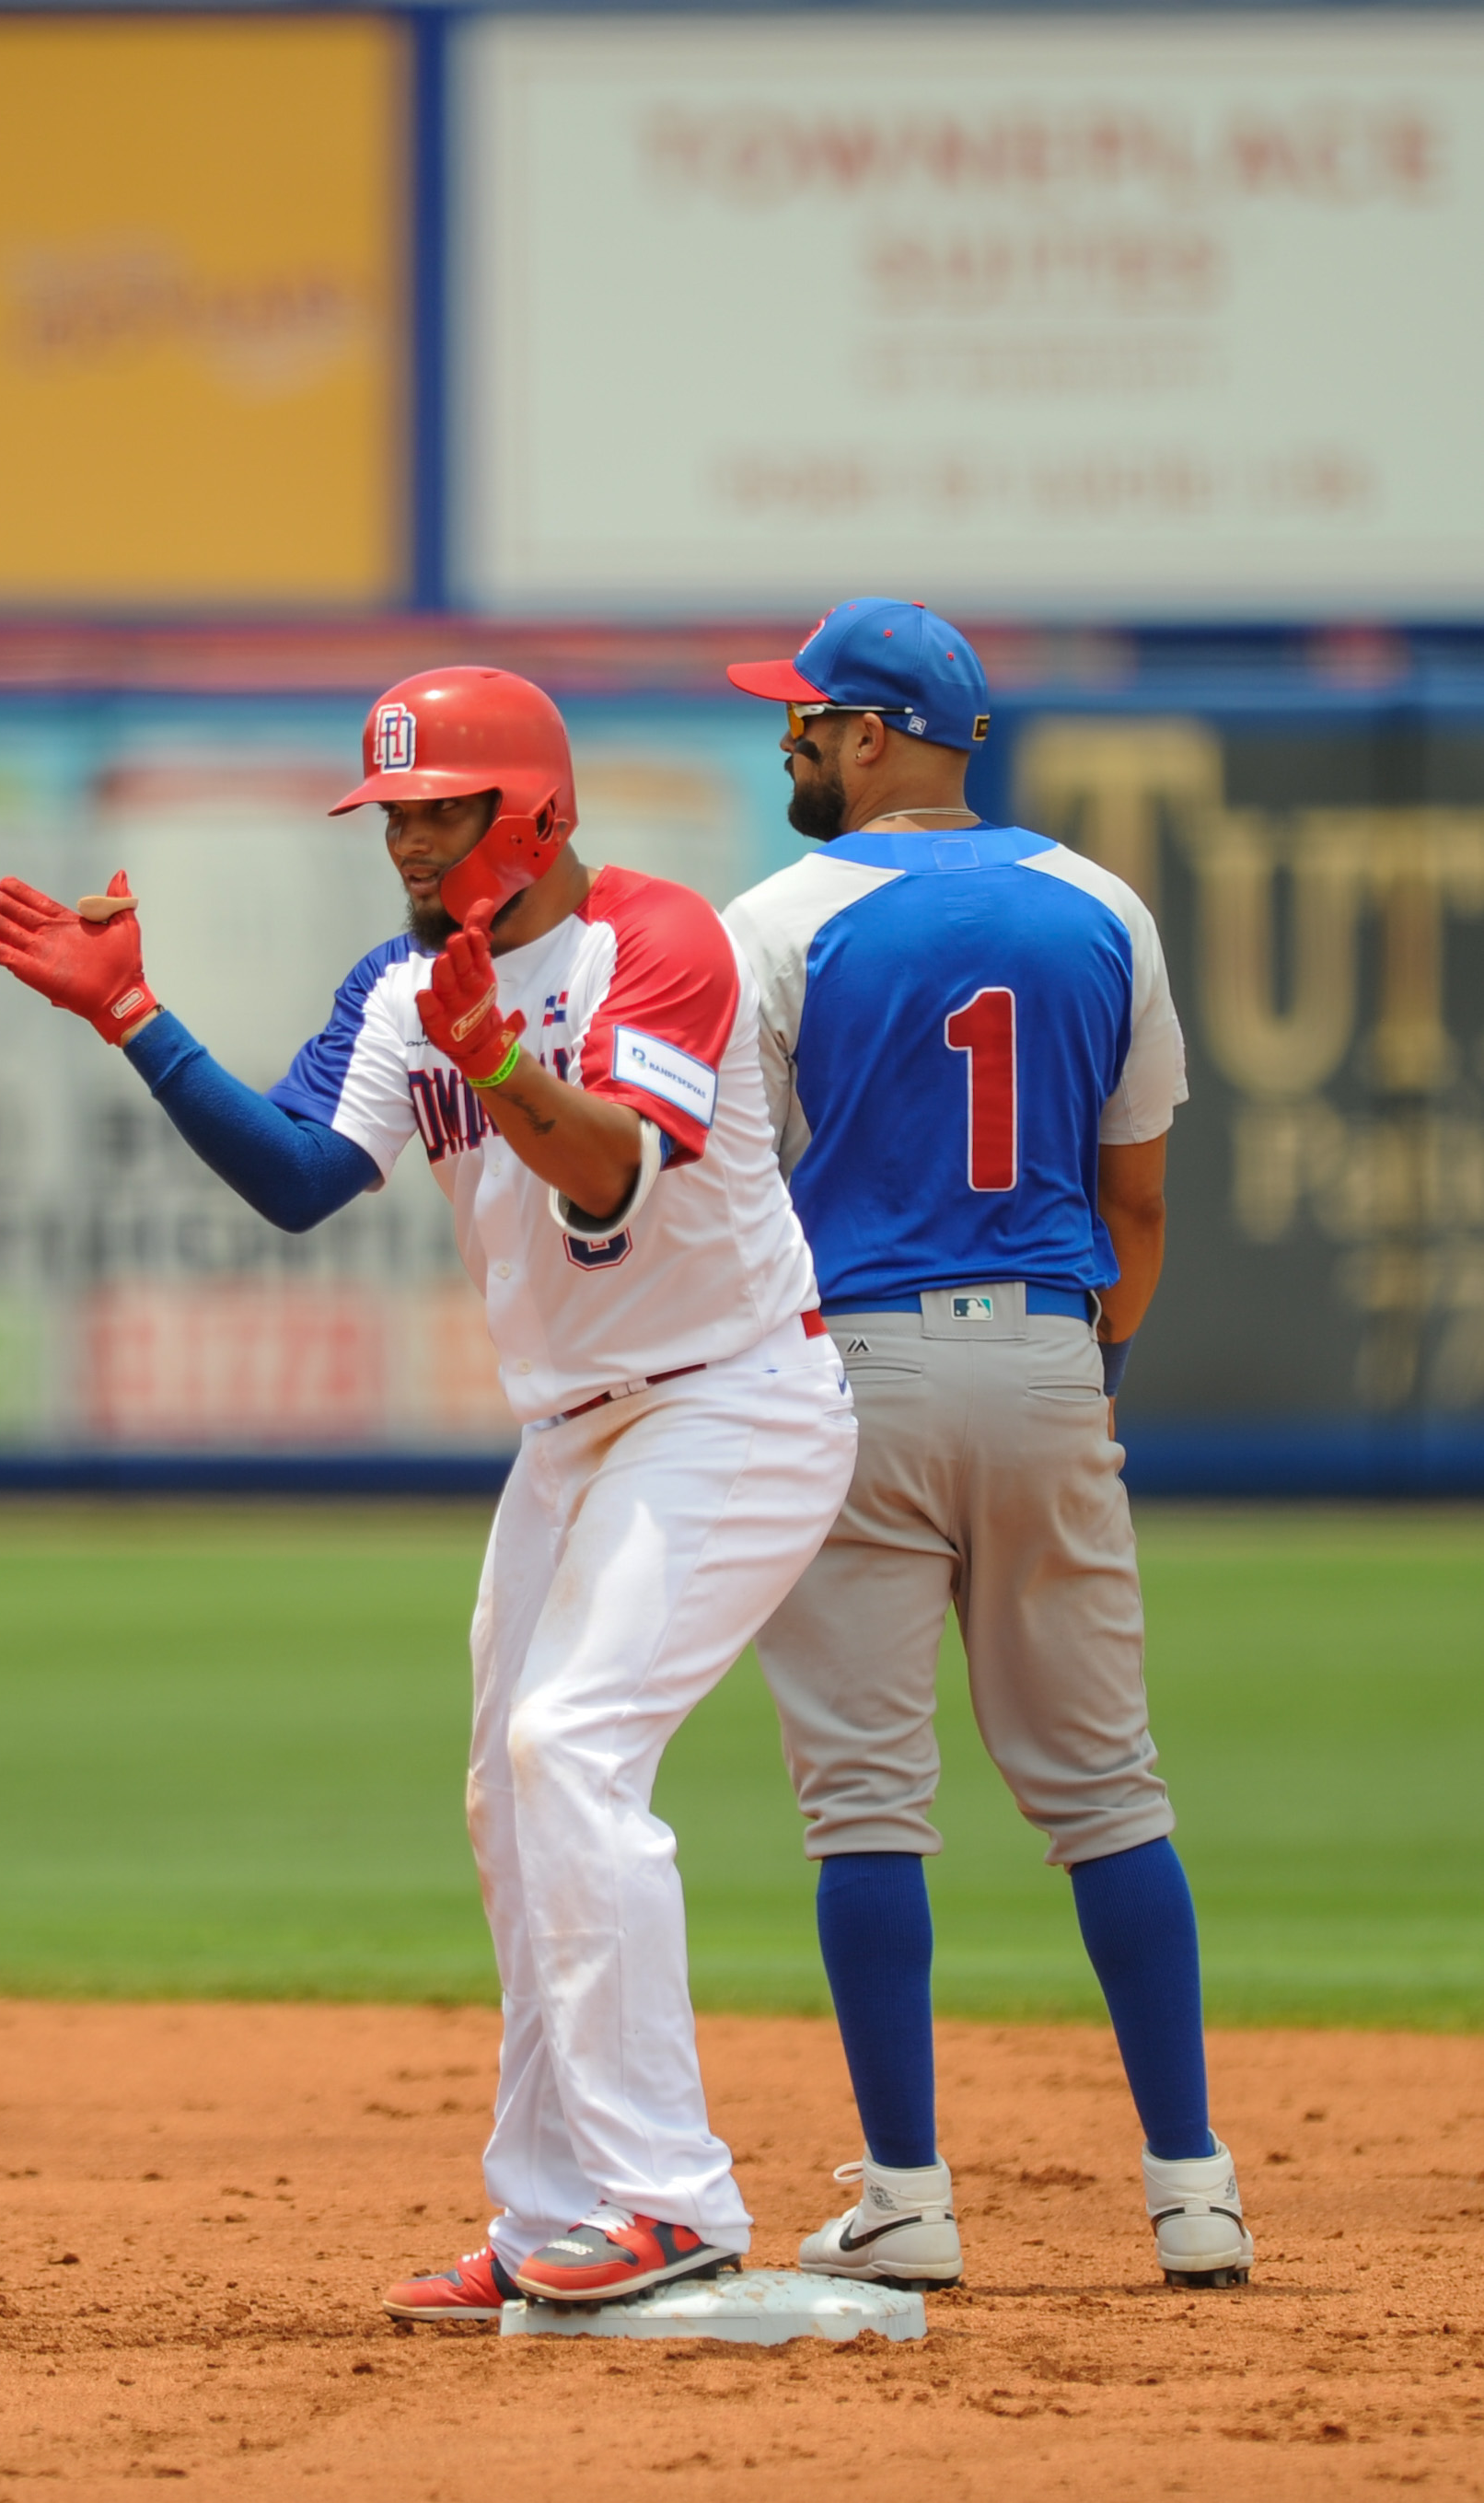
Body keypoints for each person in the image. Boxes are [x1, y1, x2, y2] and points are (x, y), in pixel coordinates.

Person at [0, 667, 854, 2322]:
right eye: (396, 812)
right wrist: (136, 1023)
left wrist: (505, 1062)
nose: (413, 839)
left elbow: (608, 1172)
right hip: (576, 1436)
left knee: (569, 1745)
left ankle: (674, 2198)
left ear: (538, 810)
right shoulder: (401, 986)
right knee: (507, 1801)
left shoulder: (662, 942)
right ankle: (549, 2211)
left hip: (738, 1399)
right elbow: (306, 1181)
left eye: (444, 806)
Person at [720, 597, 1253, 2291]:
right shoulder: (1105, 906)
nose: (789, 739)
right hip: (1043, 1347)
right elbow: (1141, 1197)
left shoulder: (775, 921)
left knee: (867, 1803)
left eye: (807, 717)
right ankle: (1195, 2191)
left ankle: (910, 2197)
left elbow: (731, 1193)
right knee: (1108, 1791)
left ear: (876, 734)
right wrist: (1071, 1369)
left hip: (848, 1366)